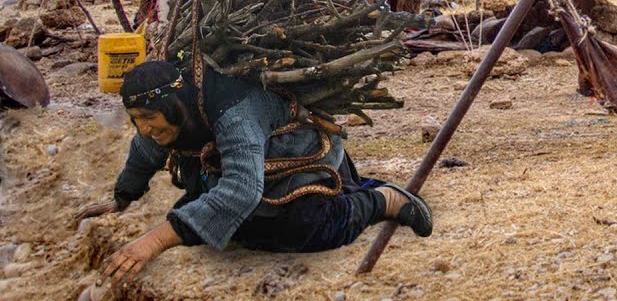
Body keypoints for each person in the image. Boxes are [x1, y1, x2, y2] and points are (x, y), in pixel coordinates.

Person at [75, 61, 432, 286]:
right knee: (227, 228)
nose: (145, 129)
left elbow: (241, 190)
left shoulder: (234, 111)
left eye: (149, 120)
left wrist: (152, 241)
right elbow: (144, 151)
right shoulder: (171, 116)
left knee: (304, 229)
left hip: (302, 161)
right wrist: (121, 198)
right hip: (248, 169)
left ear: (173, 107)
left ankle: (379, 199)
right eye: (137, 121)